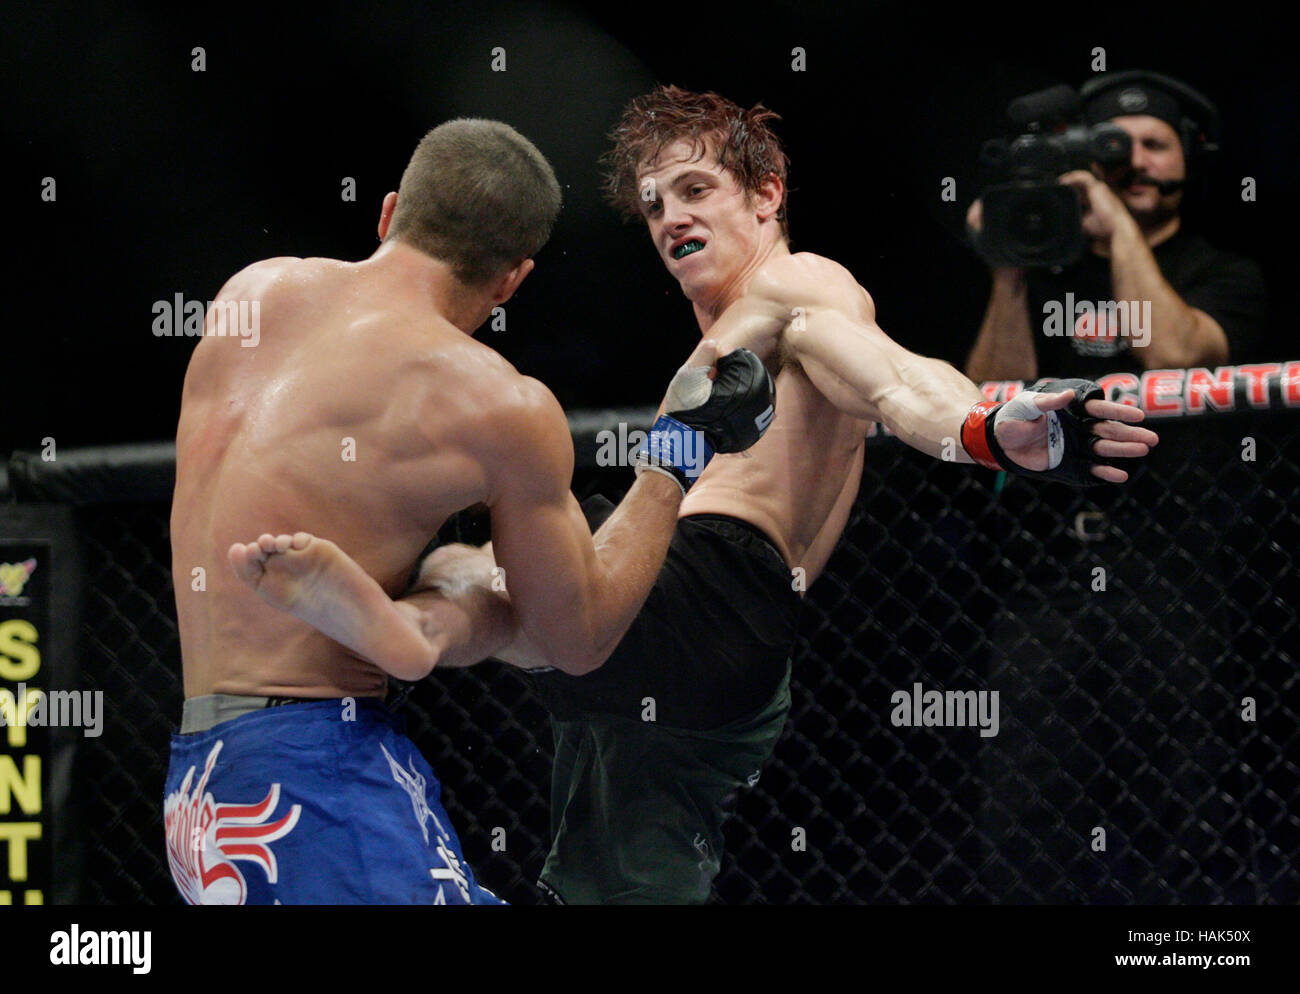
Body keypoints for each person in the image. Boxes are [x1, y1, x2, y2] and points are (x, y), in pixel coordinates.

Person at [248, 87, 1158, 904]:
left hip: (707, 586)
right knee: (619, 873)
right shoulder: (721, 346)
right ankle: (427, 626)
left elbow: (895, 381)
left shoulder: (798, 287)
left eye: (693, 189)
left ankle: (420, 631)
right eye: (651, 203)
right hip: (709, 674)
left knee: (490, 565)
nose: (666, 215)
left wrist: (984, 430)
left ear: (765, 196)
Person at [164, 117, 775, 905]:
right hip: (317, 775)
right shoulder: (494, 403)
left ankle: (425, 621)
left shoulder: (250, 293)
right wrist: (677, 452)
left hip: (202, 782)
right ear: (513, 279)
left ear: (388, 214)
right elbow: (578, 636)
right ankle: (424, 623)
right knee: (480, 578)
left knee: (462, 572)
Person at [965, 70, 1268, 383]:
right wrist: (1008, 267)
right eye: (1114, 146)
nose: (1136, 162)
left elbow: (1172, 359)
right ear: (1091, 161)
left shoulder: (1225, 273)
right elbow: (994, 396)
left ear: (1188, 156)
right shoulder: (1049, 270)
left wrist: (1119, 226)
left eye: (1154, 145)